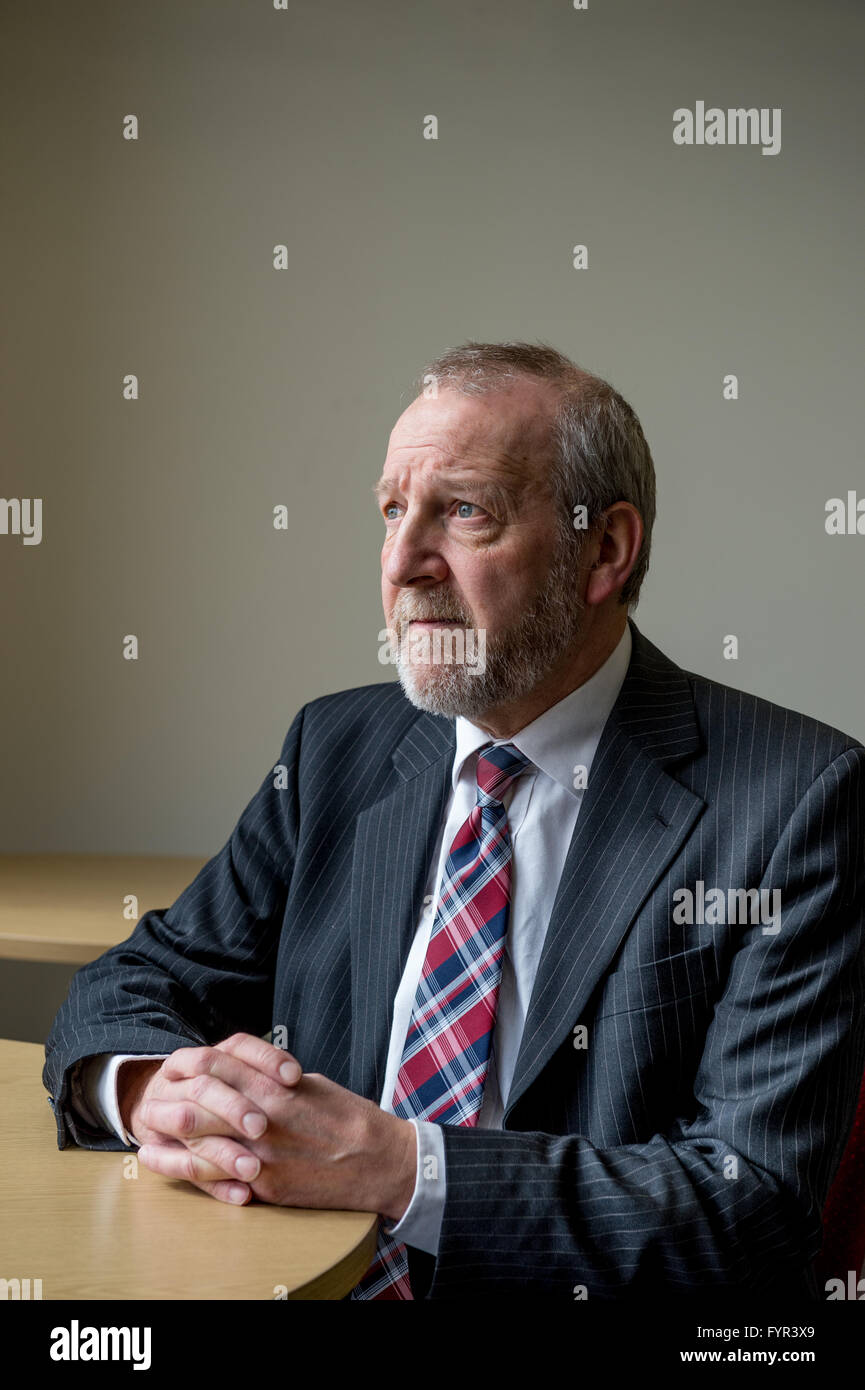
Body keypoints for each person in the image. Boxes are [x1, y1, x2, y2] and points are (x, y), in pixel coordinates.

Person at [43, 341, 865, 1299]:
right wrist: (148, 1088)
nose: (401, 562)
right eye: (393, 510)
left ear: (604, 548)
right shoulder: (336, 747)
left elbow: (749, 1206)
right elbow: (144, 974)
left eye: (463, 510)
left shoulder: (795, 798)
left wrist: (401, 1168)